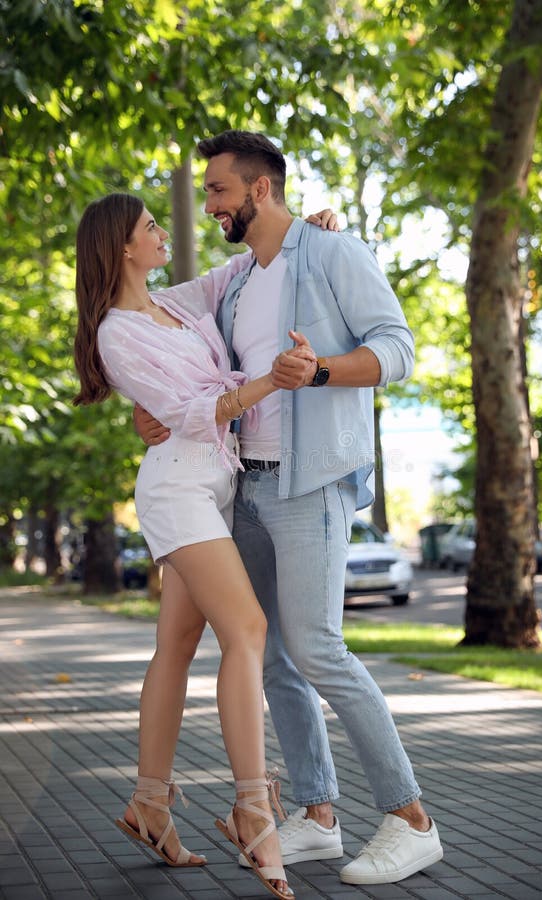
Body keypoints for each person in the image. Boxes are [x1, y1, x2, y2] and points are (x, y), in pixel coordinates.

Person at [135, 130, 444, 887]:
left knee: (317, 650)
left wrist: (322, 369)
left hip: (313, 485)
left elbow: (398, 348)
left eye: (217, 192)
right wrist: (164, 411)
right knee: (272, 659)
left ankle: (412, 820)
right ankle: (318, 813)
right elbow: (176, 343)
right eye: (206, 192)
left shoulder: (333, 253)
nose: (209, 206)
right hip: (249, 486)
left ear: (259, 191)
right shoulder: (238, 279)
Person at [73, 192, 336, 898]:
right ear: (123, 247)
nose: (162, 232)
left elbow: (240, 268)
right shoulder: (115, 332)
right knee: (246, 629)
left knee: (177, 647)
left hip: (216, 485)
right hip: (179, 489)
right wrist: (265, 386)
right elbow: (188, 413)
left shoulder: (177, 303)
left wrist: (307, 228)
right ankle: (254, 810)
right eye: (150, 227)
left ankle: (149, 804)